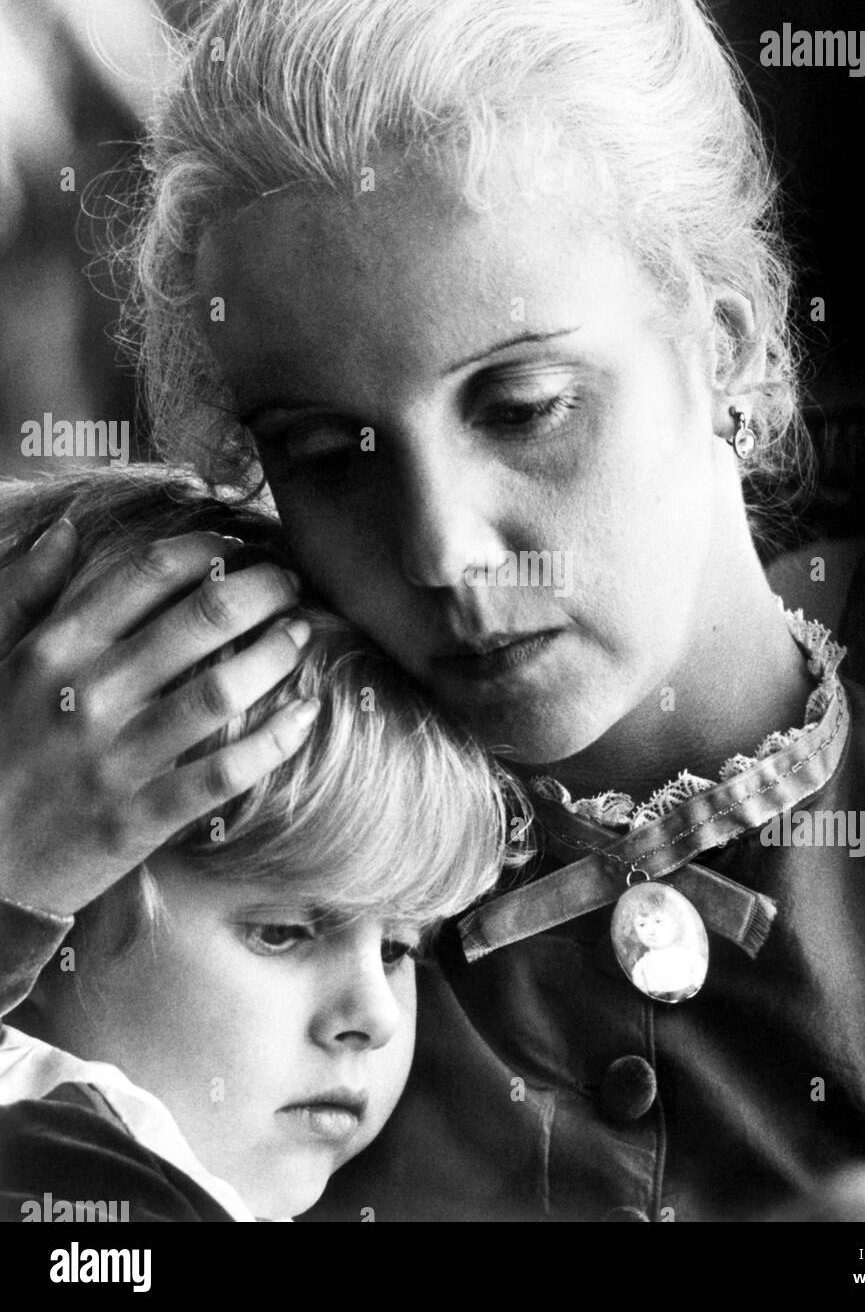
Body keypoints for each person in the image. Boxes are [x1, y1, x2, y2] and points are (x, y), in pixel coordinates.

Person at [2, 0, 865, 1221]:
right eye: (325, 451)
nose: (439, 547)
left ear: (726, 348)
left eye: (524, 403)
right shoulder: (188, 844)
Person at [0, 466, 522, 1221]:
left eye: (397, 949)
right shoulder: (71, 1170)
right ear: (49, 927)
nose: (373, 1017)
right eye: (281, 933)